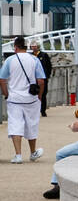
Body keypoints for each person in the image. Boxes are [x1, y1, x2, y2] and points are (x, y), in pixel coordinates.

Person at [0, 36, 45, 165]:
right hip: (31, 98)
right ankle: (32, 152)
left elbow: (2, 79)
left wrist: (6, 94)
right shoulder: (34, 59)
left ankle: (18, 155)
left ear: (15, 47)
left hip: (14, 98)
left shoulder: (10, 60)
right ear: (27, 47)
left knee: (15, 124)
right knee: (32, 124)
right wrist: (40, 96)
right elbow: (41, 81)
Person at [30, 39, 53, 115]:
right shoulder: (30, 56)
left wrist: (47, 76)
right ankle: (34, 110)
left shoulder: (43, 55)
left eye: (35, 46)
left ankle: (43, 110)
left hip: (43, 78)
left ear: (38, 47)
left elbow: (49, 66)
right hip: (33, 78)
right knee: (33, 94)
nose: (33, 48)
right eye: (32, 46)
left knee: (43, 94)